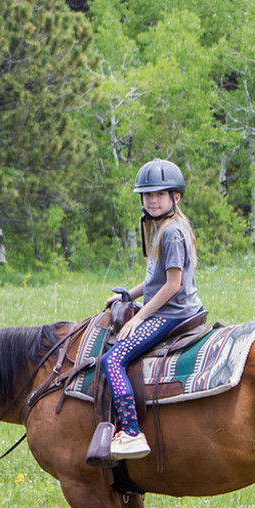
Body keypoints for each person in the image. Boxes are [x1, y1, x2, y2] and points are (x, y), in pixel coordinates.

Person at [104, 159, 205, 459]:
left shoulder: (172, 232)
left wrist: (140, 316)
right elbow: (155, 279)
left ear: (176, 196)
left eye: (160, 194)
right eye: (147, 195)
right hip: (171, 307)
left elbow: (173, 285)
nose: (152, 200)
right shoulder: (163, 227)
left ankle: (132, 432)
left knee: (113, 359)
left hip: (171, 313)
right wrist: (127, 295)